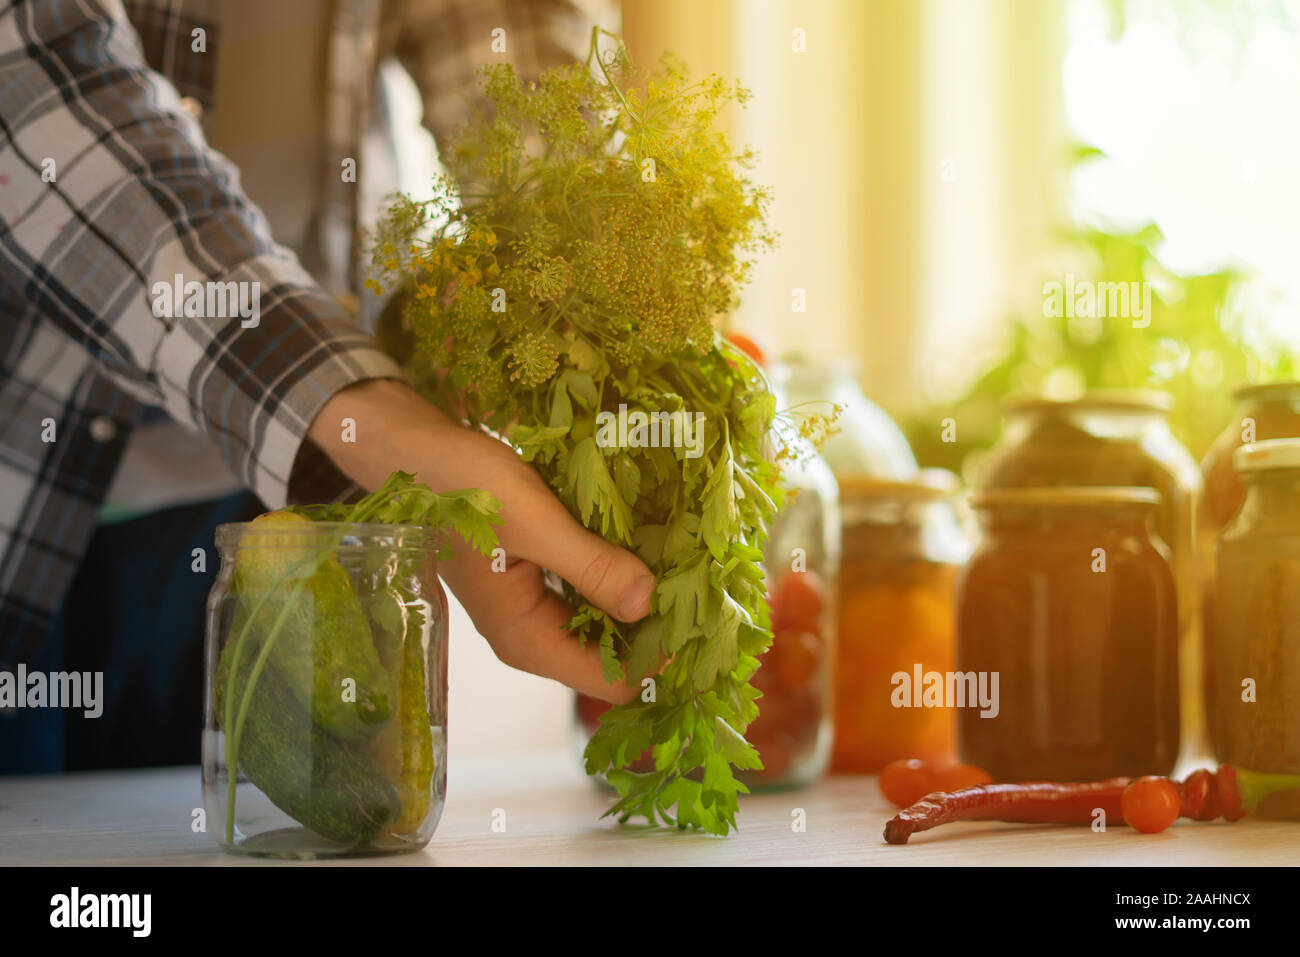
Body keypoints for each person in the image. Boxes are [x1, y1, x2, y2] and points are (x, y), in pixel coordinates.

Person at [0, 0, 653, 772]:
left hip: (298, 479)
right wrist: (379, 424)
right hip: (29, 472)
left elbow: (496, 22)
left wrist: (562, 268)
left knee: (275, 826)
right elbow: (31, 74)